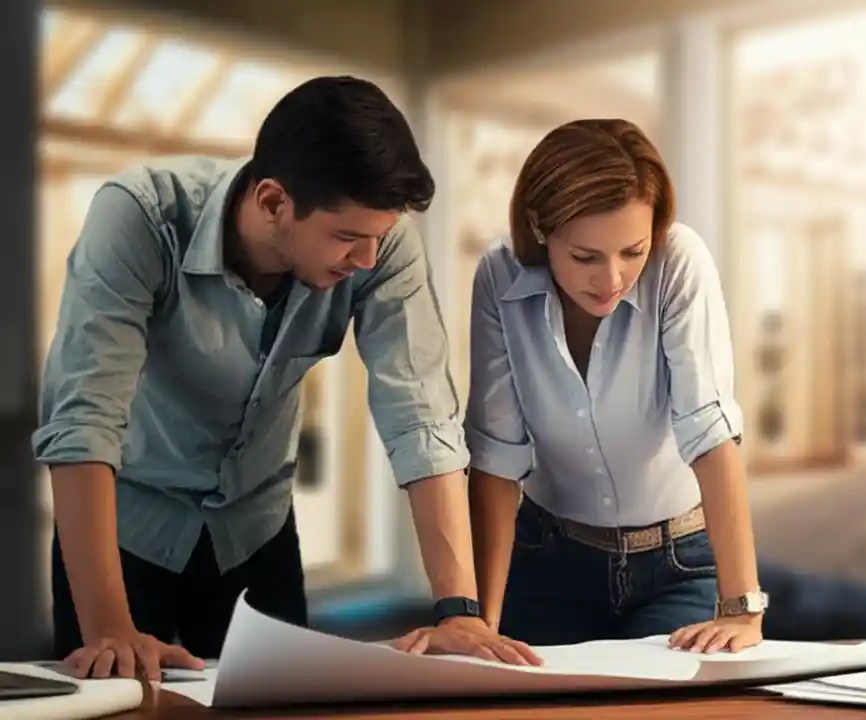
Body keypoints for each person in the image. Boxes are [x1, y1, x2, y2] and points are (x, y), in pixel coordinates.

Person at [33, 76, 536, 681]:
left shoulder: (380, 246)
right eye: (348, 238)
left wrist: (459, 611)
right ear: (273, 202)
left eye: (378, 237)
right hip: (123, 531)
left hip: (255, 532)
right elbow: (84, 417)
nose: (368, 261)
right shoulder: (142, 217)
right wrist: (109, 628)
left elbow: (422, 414)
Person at [445, 118, 765, 653]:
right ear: (539, 226)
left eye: (632, 252)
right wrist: (481, 624)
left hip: (678, 565)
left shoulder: (679, 262)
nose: (612, 278)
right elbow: (497, 458)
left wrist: (742, 610)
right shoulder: (499, 277)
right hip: (548, 559)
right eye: (585, 257)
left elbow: (709, 431)